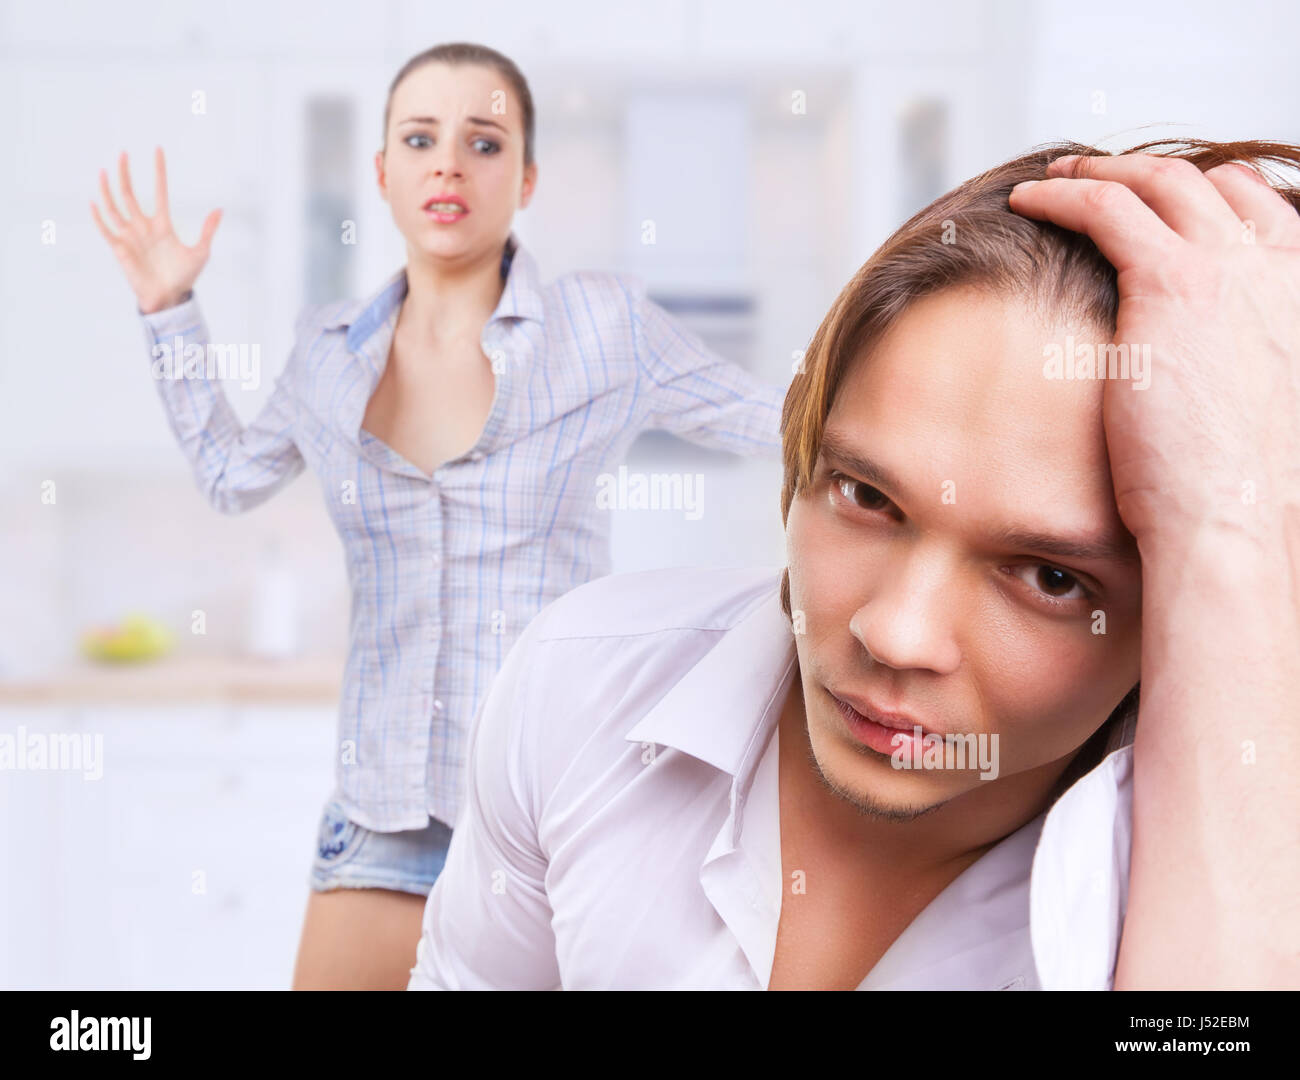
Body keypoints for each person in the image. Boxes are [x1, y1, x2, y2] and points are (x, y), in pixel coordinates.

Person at [408, 137, 1300, 990]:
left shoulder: (1244, 861)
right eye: (868, 497)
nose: (895, 633)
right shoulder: (581, 684)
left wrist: (1234, 522)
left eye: (1050, 578)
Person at [89, 42, 784, 990]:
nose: (449, 163)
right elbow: (228, 474)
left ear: (526, 176)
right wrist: (168, 308)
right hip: (381, 819)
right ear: (384, 172)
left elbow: (781, 423)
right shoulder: (327, 351)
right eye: (420, 139)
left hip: (550, 828)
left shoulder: (604, 329)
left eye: (484, 141)